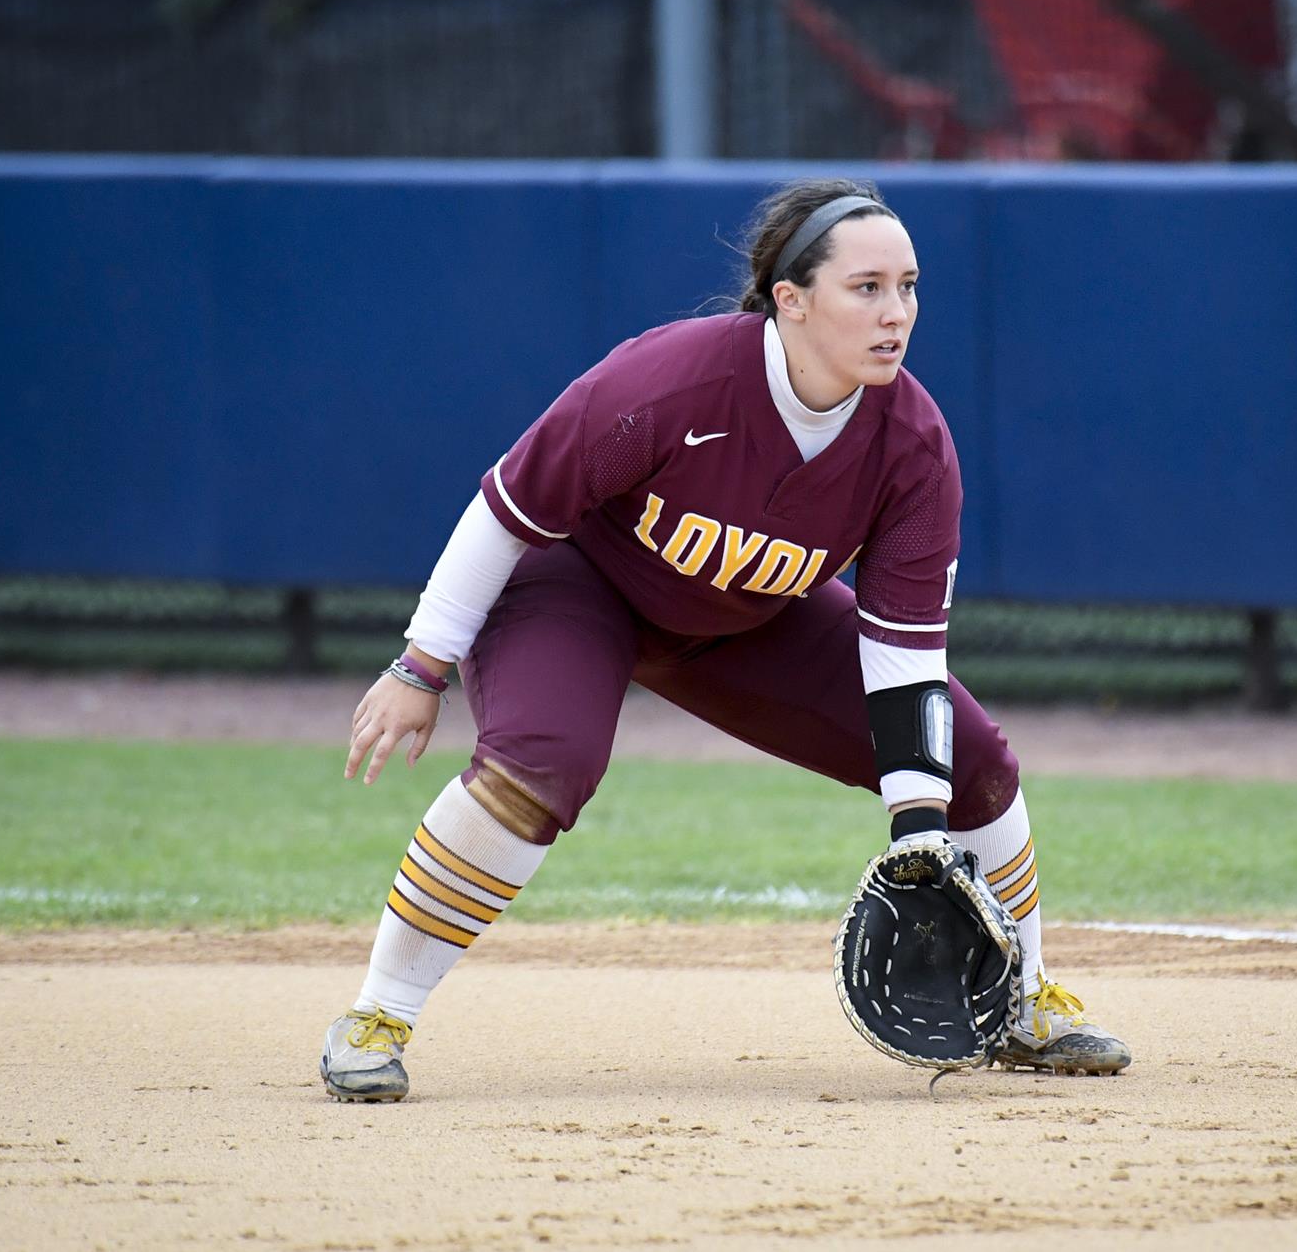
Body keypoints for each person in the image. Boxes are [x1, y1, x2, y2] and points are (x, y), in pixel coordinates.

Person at [320, 178, 1131, 1101]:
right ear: (790, 298)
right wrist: (419, 666)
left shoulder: (911, 443)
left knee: (975, 763)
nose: (896, 312)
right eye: (865, 287)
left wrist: (917, 832)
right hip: (575, 580)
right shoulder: (673, 381)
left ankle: (1021, 1002)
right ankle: (377, 1013)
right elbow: (508, 509)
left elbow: (906, 656)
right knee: (544, 759)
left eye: (908, 286)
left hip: (746, 617)